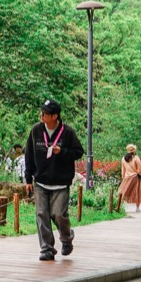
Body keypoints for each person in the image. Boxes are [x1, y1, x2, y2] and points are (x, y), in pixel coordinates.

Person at [23, 99, 83, 261]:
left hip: (60, 182)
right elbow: (28, 155)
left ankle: (66, 238)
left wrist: (61, 151)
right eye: (41, 112)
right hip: (40, 181)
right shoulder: (36, 131)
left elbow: (78, 152)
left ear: (55, 116)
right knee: (41, 214)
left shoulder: (67, 132)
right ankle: (47, 248)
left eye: (45, 113)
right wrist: (28, 179)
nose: (41, 115)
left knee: (58, 214)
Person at [118, 144, 141, 212]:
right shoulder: (135, 158)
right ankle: (137, 207)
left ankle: (118, 205)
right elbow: (140, 167)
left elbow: (123, 169)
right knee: (137, 192)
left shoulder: (123, 158)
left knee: (123, 191)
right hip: (135, 177)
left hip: (126, 177)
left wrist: (123, 177)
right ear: (134, 151)